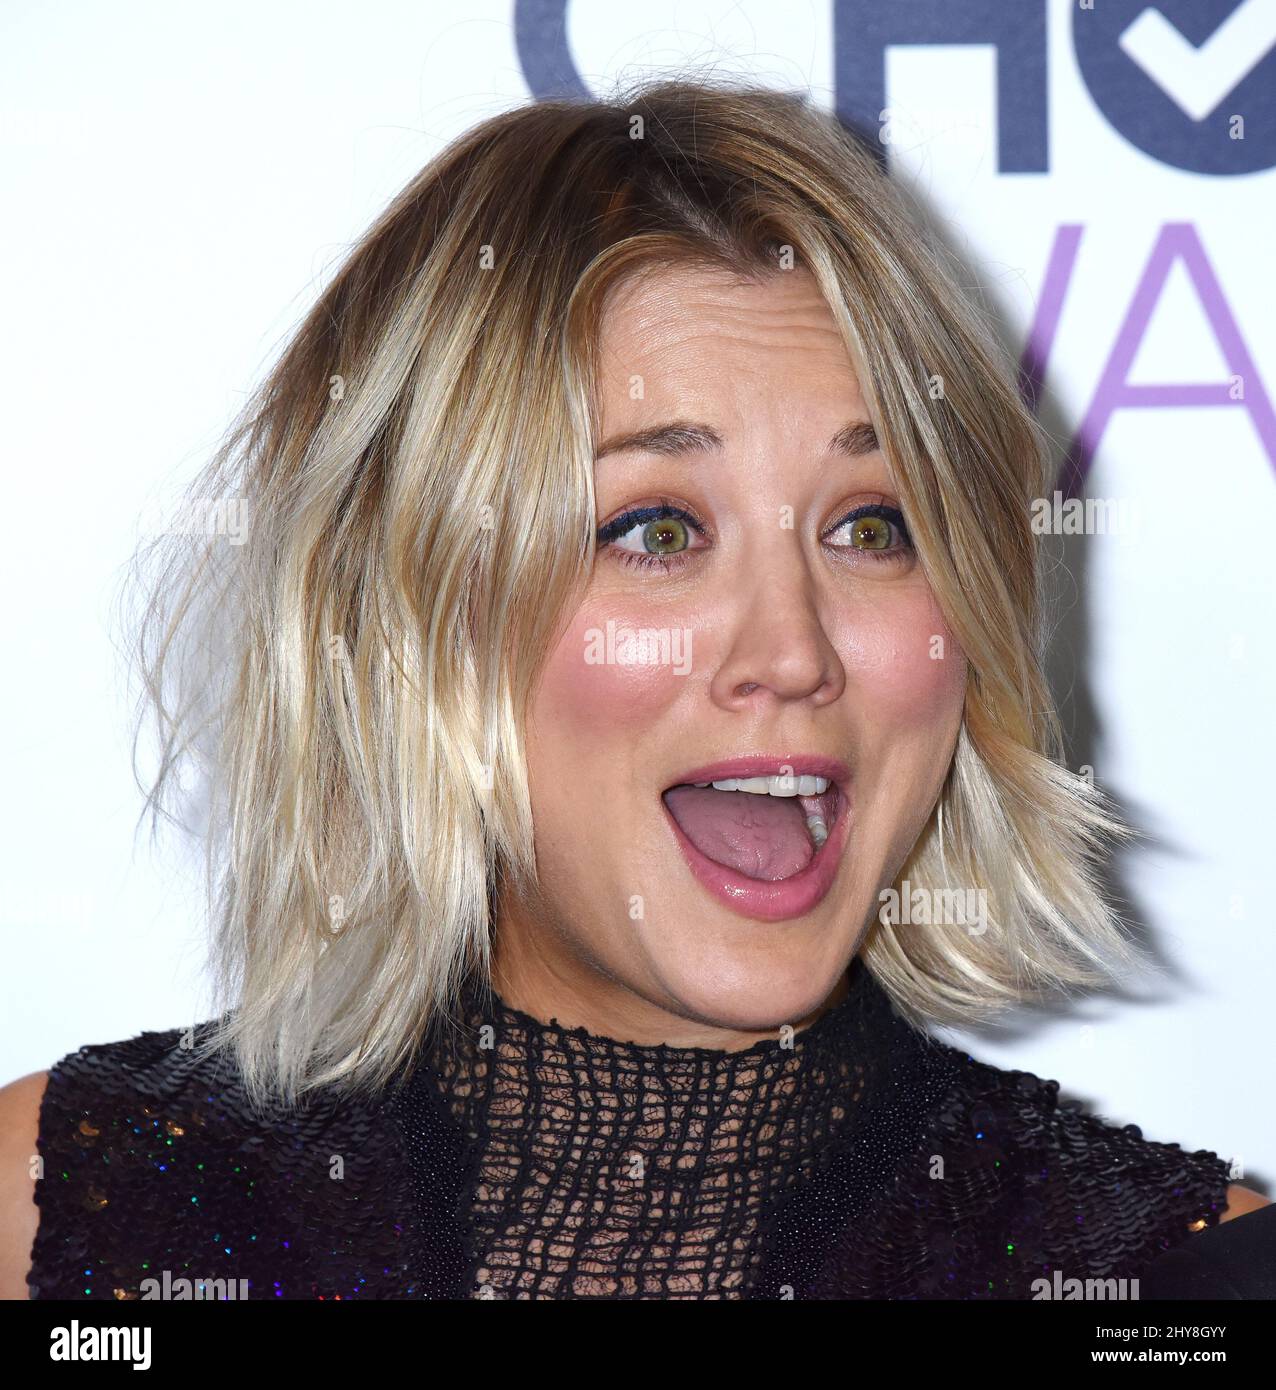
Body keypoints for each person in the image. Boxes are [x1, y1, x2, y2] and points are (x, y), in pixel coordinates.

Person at [0, 77, 1268, 1301]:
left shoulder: (1171, 1277)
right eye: (657, 530)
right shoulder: (58, 1210)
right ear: (414, 613)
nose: (792, 651)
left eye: (872, 525)